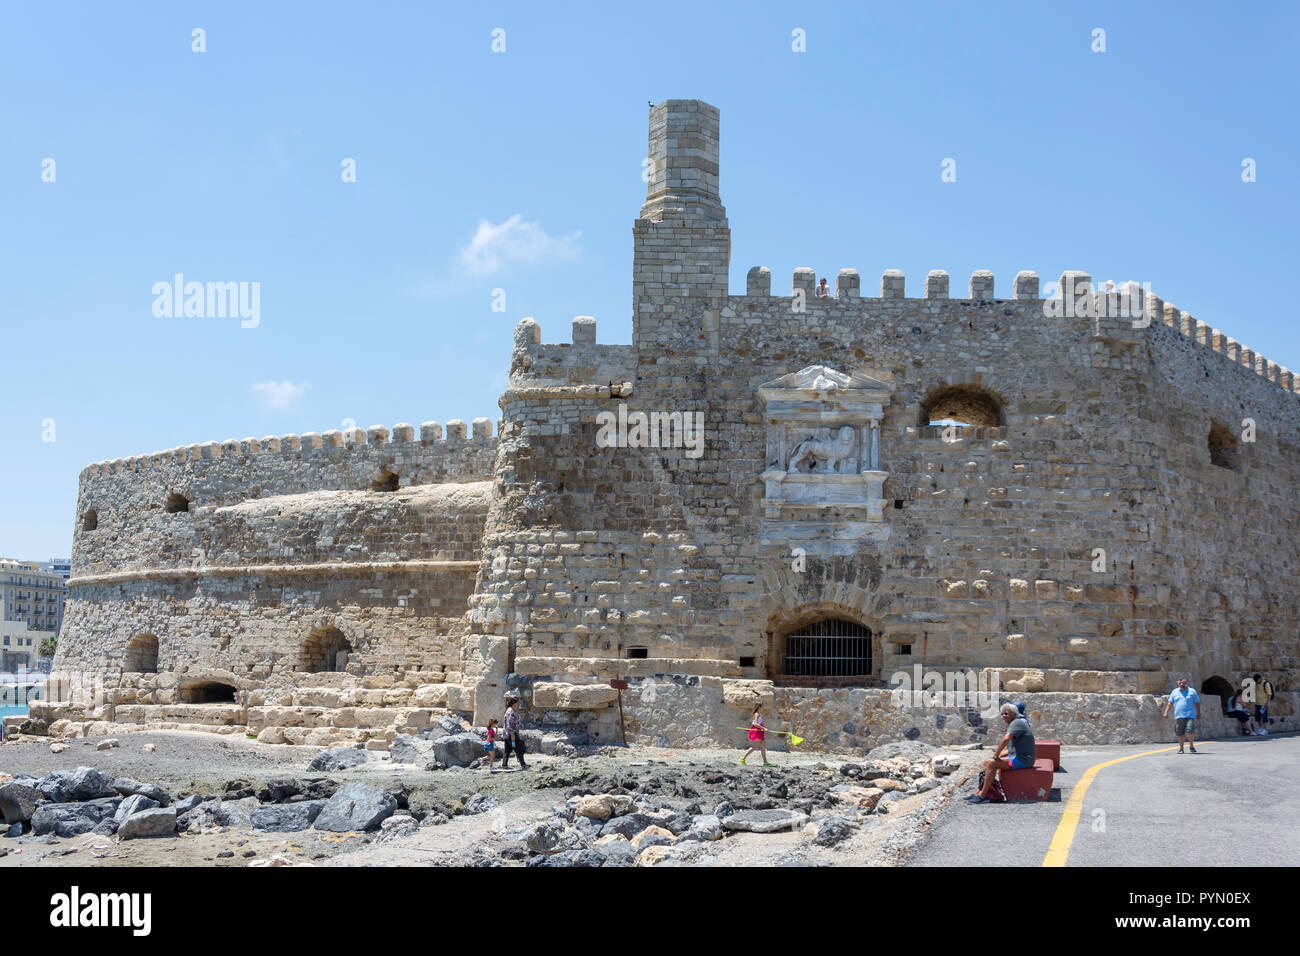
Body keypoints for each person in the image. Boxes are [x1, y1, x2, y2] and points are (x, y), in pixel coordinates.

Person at [967, 703, 1035, 803]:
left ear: (1014, 714)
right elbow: (1010, 748)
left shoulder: (1017, 722)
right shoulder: (1015, 723)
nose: (1004, 716)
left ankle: (983, 795)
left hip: (1024, 760)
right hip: (1017, 757)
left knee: (992, 763)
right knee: (987, 762)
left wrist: (996, 755)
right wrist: (996, 756)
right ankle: (979, 792)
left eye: (1006, 713)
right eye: (1002, 714)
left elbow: (1005, 739)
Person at [1162, 677, 1201, 753]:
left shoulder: (1192, 691)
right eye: (1180, 683)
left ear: (1186, 683)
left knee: (1190, 730)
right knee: (1180, 732)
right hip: (1179, 715)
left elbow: (1197, 703)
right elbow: (1170, 703)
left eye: (1183, 683)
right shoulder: (1175, 692)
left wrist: (1198, 713)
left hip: (1190, 715)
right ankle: (1181, 748)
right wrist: (1166, 712)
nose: (1181, 684)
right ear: (1178, 684)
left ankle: (1191, 746)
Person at [501, 696, 528, 770]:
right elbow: (509, 724)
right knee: (519, 748)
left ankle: (504, 765)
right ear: (514, 703)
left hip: (508, 734)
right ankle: (523, 765)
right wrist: (512, 734)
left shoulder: (511, 710)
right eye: (517, 702)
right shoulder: (510, 711)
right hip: (511, 734)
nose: (518, 704)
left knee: (508, 749)